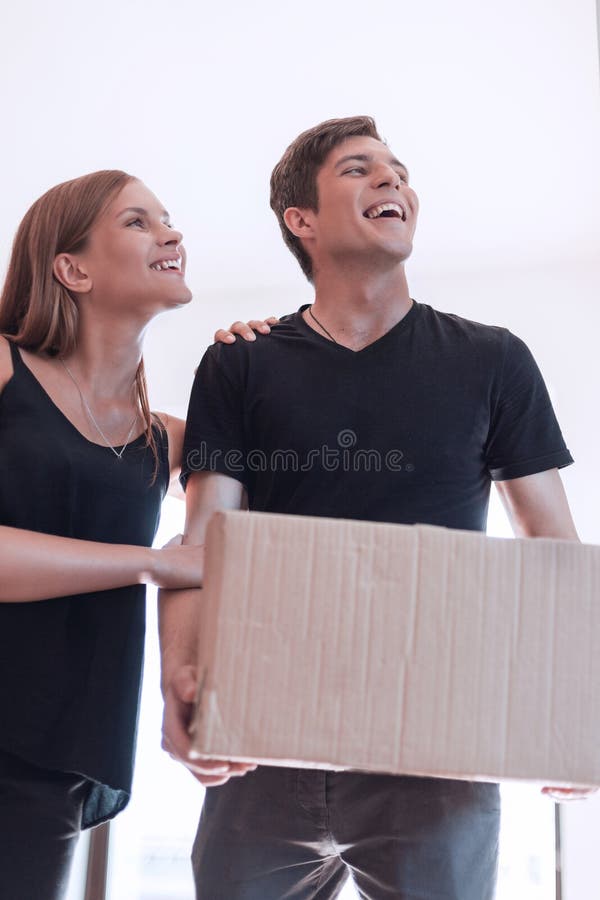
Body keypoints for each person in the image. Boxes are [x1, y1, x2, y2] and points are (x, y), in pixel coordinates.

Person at [160, 116, 586, 900]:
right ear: (303, 221)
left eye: (399, 170)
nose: (393, 181)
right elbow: (199, 545)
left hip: (435, 757)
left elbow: (554, 552)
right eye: (361, 169)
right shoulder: (237, 364)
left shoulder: (493, 360)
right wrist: (176, 682)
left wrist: (574, 717)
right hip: (260, 743)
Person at [0, 169, 272, 900]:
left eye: (169, 221)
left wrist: (258, 365)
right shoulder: (4, 369)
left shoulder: (168, 442)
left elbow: (284, 465)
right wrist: (156, 563)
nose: (172, 234)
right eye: (138, 222)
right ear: (72, 268)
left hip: (58, 763)